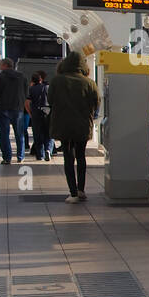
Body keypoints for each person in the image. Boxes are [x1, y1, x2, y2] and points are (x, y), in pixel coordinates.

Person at [47, 50, 100, 203]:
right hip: (82, 124)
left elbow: (50, 100)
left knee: (68, 157)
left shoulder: (57, 80)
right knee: (81, 156)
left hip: (62, 124)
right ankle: (81, 189)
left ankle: (73, 193)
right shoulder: (89, 82)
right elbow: (96, 103)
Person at [0, 58, 29, 164]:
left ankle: (7, 158)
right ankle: (20, 156)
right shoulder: (22, 77)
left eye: (0, 65)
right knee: (19, 134)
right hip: (18, 109)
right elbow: (26, 93)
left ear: (4, 65)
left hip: (3, 108)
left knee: (4, 134)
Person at [26, 71, 51, 160]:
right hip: (47, 112)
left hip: (36, 112)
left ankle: (40, 155)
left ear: (32, 80)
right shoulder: (48, 87)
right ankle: (48, 149)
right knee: (48, 133)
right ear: (41, 80)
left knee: (37, 134)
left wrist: (30, 113)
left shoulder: (31, 89)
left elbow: (27, 102)